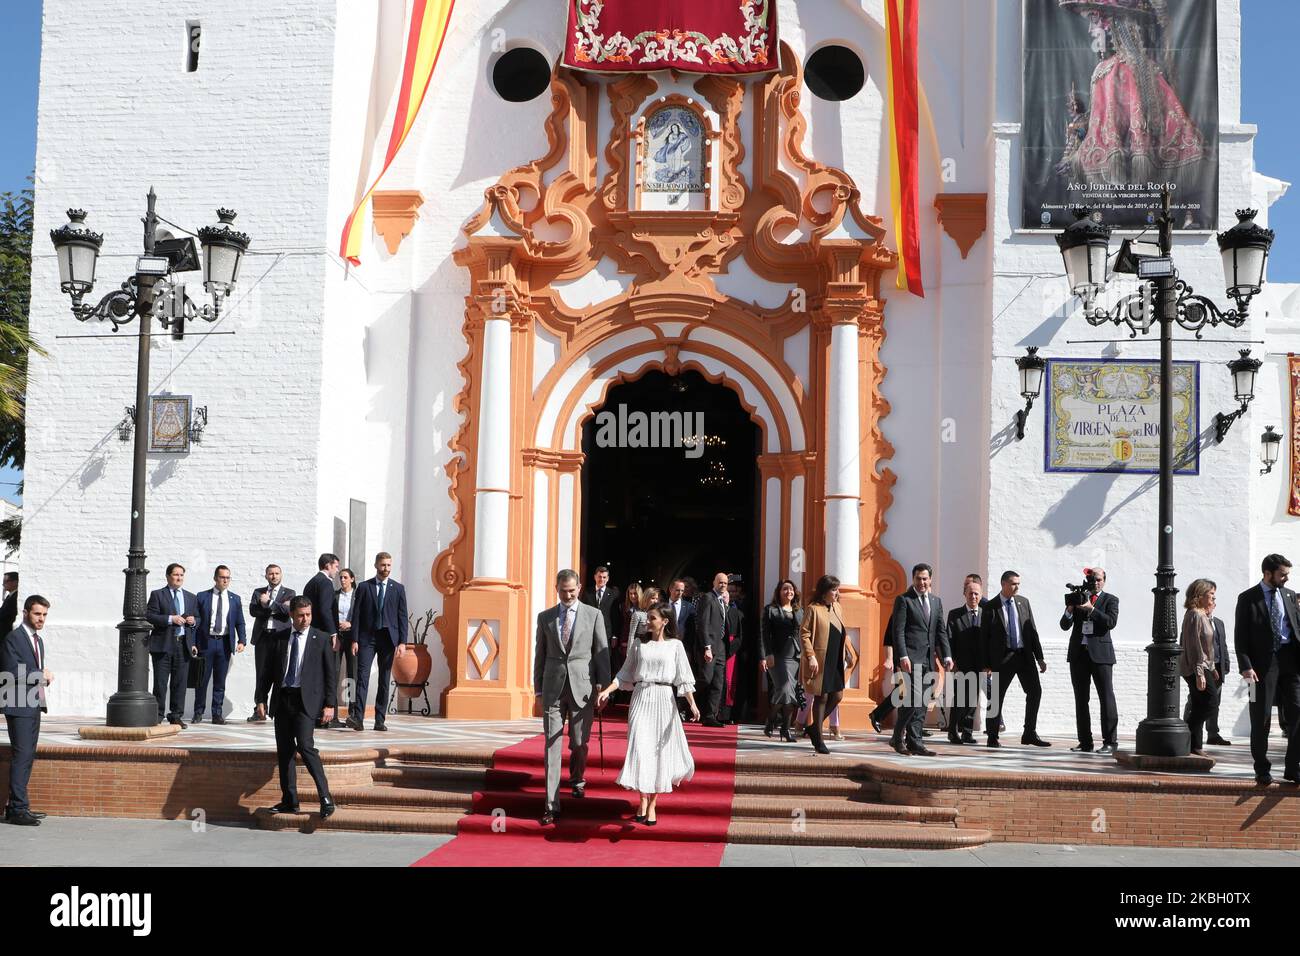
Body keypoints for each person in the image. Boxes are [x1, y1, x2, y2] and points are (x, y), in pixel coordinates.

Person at [596, 603, 699, 825]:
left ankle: (652, 804)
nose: (647, 621)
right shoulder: (638, 644)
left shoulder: (675, 646)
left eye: (652, 618)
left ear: (665, 622)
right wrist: (606, 691)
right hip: (641, 698)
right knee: (640, 750)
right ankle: (642, 798)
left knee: (659, 753)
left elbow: (684, 678)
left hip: (664, 700)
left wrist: (692, 704)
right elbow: (624, 674)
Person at [534, 568, 609, 826]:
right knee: (551, 745)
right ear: (556, 589)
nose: (568, 595)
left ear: (578, 588)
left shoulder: (594, 615)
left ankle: (577, 778)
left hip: (583, 687)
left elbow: (601, 653)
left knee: (579, 742)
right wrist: (538, 690)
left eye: (572, 590)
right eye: (563, 590)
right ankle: (551, 805)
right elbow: (540, 656)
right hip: (553, 688)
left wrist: (604, 686)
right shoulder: (545, 618)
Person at [267, 596, 337, 818]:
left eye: (308, 614)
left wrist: (330, 704)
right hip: (283, 699)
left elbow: (330, 674)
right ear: (291, 615)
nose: (305, 619)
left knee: (306, 746)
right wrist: (260, 698)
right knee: (285, 752)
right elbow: (268, 672)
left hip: (306, 701)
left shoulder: (322, 638)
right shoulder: (280, 638)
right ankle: (290, 800)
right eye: (300, 615)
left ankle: (325, 797)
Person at [1234, 553, 1300, 785]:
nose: (1286, 579)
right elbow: (1240, 637)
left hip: (1290, 662)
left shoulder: (1290, 596)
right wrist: (1246, 667)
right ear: (1268, 573)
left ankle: (1293, 767)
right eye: (1283, 574)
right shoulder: (1248, 598)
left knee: (1297, 712)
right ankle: (1262, 768)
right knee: (1261, 717)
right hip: (1261, 667)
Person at [980, 570, 1049, 748]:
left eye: (1018, 583)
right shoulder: (990, 607)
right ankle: (992, 736)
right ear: (1003, 584)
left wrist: (1039, 657)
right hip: (1002, 658)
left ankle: (1029, 733)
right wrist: (986, 664)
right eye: (1013, 583)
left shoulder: (1023, 602)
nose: (1016, 586)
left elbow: (1032, 631)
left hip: (1024, 656)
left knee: (1035, 692)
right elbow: (984, 637)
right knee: (996, 697)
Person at [890, 564, 951, 757]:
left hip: (929, 659)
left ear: (930, 580)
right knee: (913, 700)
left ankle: (915, 741)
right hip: (911, 658)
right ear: (913, 579)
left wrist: (947, 655)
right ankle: (897, 737)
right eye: (918, 578)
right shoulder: (904, 600)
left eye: (925, 579)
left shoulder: (936, 602)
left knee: (923, 702)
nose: (922, 582)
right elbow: (897, 631)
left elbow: (940, 631)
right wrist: (903, 656)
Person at [1, 595, 51, 825]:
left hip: (32, 704)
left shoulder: (37, 640)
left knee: (27, 756)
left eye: (44, 615)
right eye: (37, 614)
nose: (41, 619)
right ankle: (18, 809)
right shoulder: (13, 638)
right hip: (18, 704)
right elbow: (10, 673)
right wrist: (42, 676)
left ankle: (18, 806)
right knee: (21, 756)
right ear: (25, 613)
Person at [1061, 567, 1119, 754]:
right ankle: (1085, 742)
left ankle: (1110, 742)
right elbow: (1064, 625)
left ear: (1104, 580)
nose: (1095, 583)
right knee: (1081, 700)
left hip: (1101, 655)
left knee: (1106, 698)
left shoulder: (1111, 599)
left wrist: (1091, 609)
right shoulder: (1080, 597)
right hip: (1079, 655)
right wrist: (1070, 609)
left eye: (1099, 579)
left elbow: (1110, 622)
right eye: (1092, 579)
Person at [349, 552, 409, 732]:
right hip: (367, 639)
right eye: (383, 565)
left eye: (389, 565)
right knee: (362, 678)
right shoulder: (364, 587)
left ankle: (379, 720)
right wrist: (354, 639)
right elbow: (356, 615)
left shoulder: (398, 588)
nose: (386, 569)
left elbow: (402, 617)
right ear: (376, 565)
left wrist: (402, 642)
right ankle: (358, 718)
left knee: (384, 680)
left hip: (388, 639)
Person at [799, 574, 858, 755]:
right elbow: (804, 634)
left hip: (835, 659)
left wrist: (848, 652)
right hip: (820, 659)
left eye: (837, 589)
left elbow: (841, 632)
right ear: (824, 592)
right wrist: (811, 656)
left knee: (837, 696)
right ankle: (819, 739)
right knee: (821, 697)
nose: (837, 593)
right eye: (834, 590)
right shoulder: (813, 609)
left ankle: (813, 728)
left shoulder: (837, 607)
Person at [192, 565, 247, 724]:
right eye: (222, 577)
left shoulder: (234, 599)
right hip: (206, 642)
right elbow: (196, 621)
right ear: (215, 578)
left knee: (220, 681)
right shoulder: (202, 596)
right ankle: (198, 712)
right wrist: (194, 643)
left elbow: (240, 622)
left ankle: (217, 714)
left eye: (228, 577)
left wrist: (242, 640)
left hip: (224, 643)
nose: (225, 580)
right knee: (202, 680)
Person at [145, 563, 198, 727]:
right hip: (163, 644)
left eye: (181, 575)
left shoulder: (190, 597)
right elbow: (149, 615)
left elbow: (199, 618)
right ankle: (158, 715)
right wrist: (170, 619)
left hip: (183, 645)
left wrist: (193, 621)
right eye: (176, 575)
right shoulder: (158, 595)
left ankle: (175, 715)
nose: (179, 578)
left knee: (180, 683)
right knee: (160, 683)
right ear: (168, 576)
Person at [248, 565, 294, 722]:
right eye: (271, 574)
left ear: (281, 574)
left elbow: (288, 611)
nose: (274, 576)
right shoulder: (258, 592)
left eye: (276, 573)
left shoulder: (289, 593)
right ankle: (259, 708)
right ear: (266, 575)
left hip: (281, 638)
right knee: (261, 673)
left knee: (280, 673)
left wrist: (269, 603)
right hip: (263, 638)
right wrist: (277, 607)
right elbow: (253, 611)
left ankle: (277, 710)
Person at [1179, 578, 1217, 756]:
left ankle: (1194, 745)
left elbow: (1208, 644)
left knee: (1200, 704)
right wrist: (1200, 673)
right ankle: (1186, 733)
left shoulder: (1202, 614)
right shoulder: (1194, 614)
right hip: (1196, 667)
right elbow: (1194, 645)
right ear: (1200, 595)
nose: (1213, 598)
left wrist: (1213, 667)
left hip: (1204, 666)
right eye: (1211, 594)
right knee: (1210, 703)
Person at [944, 574, 984, 745]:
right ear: (965, 594)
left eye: (976, 594)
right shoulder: (955, 614)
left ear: (981, 595)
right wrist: (951, 661)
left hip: (979, 665)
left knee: (972, 700)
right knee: (960, 699)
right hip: (960, 664)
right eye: (970, 593)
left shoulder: (986, 614)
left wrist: (988, 664)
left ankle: (967, 732)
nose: (973, 597)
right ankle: (953, 731)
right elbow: (949, 639)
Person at [693, 572, 732, 726]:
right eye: (720, 582)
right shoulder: (708, 598)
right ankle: (683, 702)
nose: (723, 585)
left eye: (725, 583)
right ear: (714, 583)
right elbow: (703, 624)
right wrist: (706, 647)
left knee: (718, 683)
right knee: (705, 679)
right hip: (709, 646)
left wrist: (727, 605)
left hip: (721, 647)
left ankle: (710, 716)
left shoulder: (722, 600)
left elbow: (722, 623)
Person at [1198, 590, 1232, 746]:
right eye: (1211, 600)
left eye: (1214, 601)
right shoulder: (1196, 620)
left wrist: (1225, 665)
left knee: (1215, 701)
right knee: (1195, 701)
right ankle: (1190, 730)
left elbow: (1222, 645)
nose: (1213, 604)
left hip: (1218, 667)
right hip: (1203, 667)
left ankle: (1212, 733)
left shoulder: (1219, 622)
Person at [331, 569, 358, 728]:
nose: (342, 580)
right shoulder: (335, 595)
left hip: (352, 637)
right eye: (340, 577)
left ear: (352, 579)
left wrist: (351, 624)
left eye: (345, 577)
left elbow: (363, 616)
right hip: (337, 637)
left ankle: (353, 712)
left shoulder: (358, 595)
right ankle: (332, 713)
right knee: (333, 673)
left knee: (352, 674)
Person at [580, 566, 621, 651]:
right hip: (589, 634)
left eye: (604, 577)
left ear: (608, 578)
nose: (601, 579)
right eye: (599, 577)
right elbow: (582, 613)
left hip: (607, 635)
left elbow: (616, 616)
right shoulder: (587, 593)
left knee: (605, 661)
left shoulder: (613, 594)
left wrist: (614, 635)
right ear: (595, 577)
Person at [0, 572, 18, 637]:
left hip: (7, 632)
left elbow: (6, 614)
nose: (3, 584)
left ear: (15, 582)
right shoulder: (9, 596)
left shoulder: (16, 597)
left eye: (5, 581)